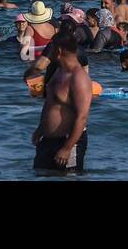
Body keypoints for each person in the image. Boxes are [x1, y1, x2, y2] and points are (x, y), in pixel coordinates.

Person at [31, 32, 91, 172]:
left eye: (51, 49)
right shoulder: (59, 71)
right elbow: (51, 104)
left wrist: (67, 148)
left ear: (58, 50)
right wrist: (41, 129)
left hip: (68, 141)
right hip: (47, 140)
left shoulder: (79, 78)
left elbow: (82, 117)